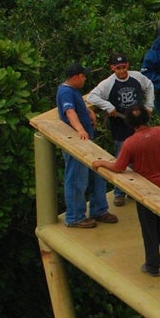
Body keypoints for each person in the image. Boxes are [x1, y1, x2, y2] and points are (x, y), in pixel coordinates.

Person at [92, 107, 160, 276]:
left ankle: (152, 266)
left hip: (145, 190)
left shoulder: (130, 143)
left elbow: (118, 167)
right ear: (148, 117)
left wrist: (101, 162)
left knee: (149, 229)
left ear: (130, 124)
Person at [86, 53, 155, 207]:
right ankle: (120, 192)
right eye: (118, 68)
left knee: (141, 156)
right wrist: (108, 106)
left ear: (128, 65)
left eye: (124, 67)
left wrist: (149, 106)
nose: (122, 71)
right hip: (120, 125)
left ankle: (137, 189)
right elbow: (92, 96)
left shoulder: (137, 77)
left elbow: (149, 86)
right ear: (112, 68)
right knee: (121, 158)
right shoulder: (108, 83)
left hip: (139, 124)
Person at [57, 62, 117, 229]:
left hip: (86, 142)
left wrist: (89, 111)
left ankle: (99, 209)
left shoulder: (73, 90)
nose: (85, 79)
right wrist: (81, 130)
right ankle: (74, 217)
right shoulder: (65, 92)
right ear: (76, 77)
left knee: (97, 174)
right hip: (77, 143)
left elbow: (78, 104)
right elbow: (69, 112)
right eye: (83, 76)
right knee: (77, 179)